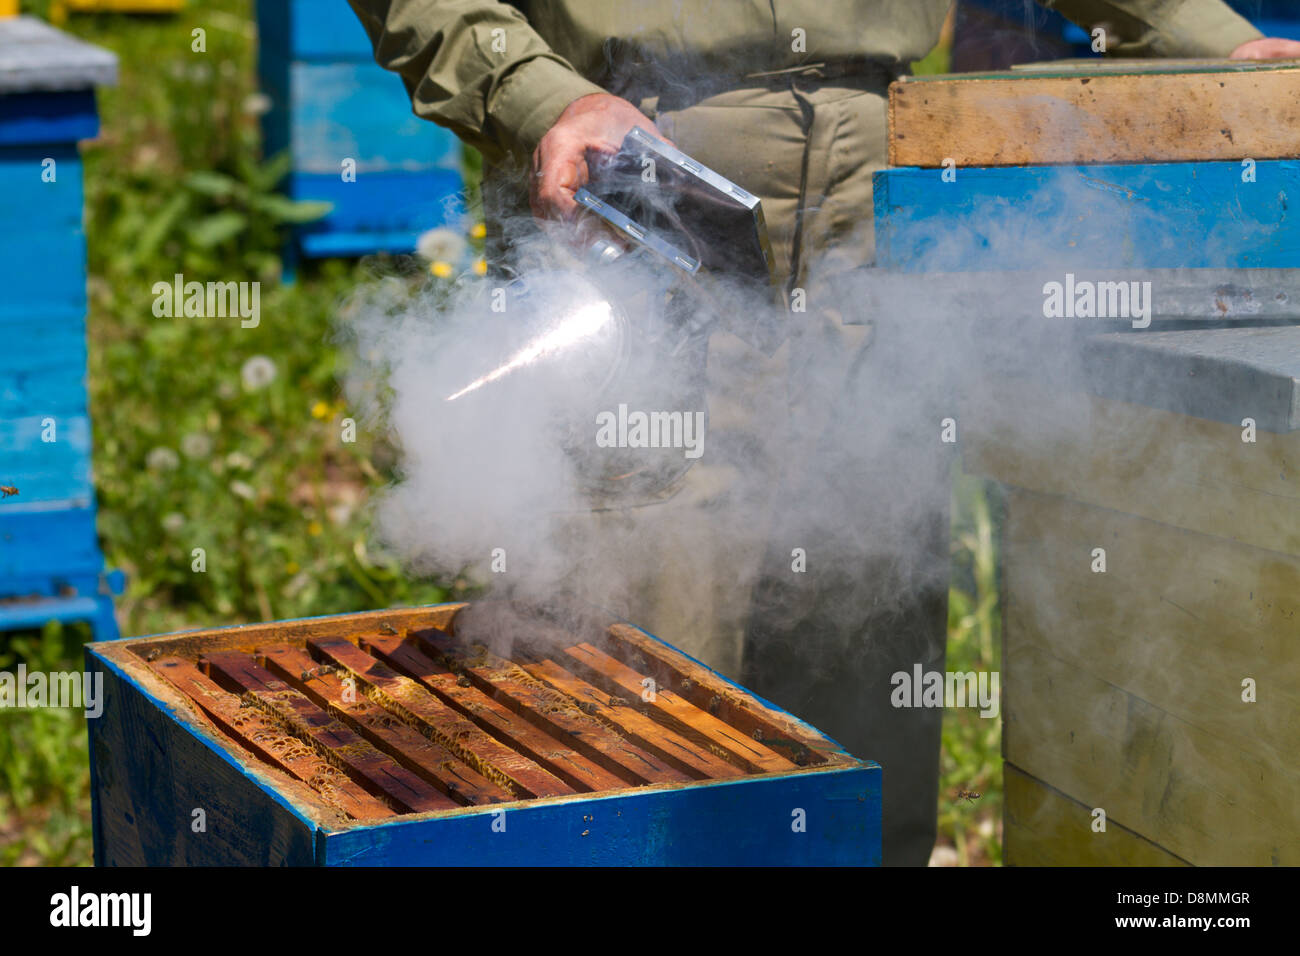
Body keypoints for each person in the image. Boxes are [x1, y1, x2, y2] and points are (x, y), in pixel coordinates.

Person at [348, 0, 1300, 865]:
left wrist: (1212, 38)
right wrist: (534, 92)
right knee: (618, 699)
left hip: (882, 199)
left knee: (858, 664)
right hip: (624, 184)